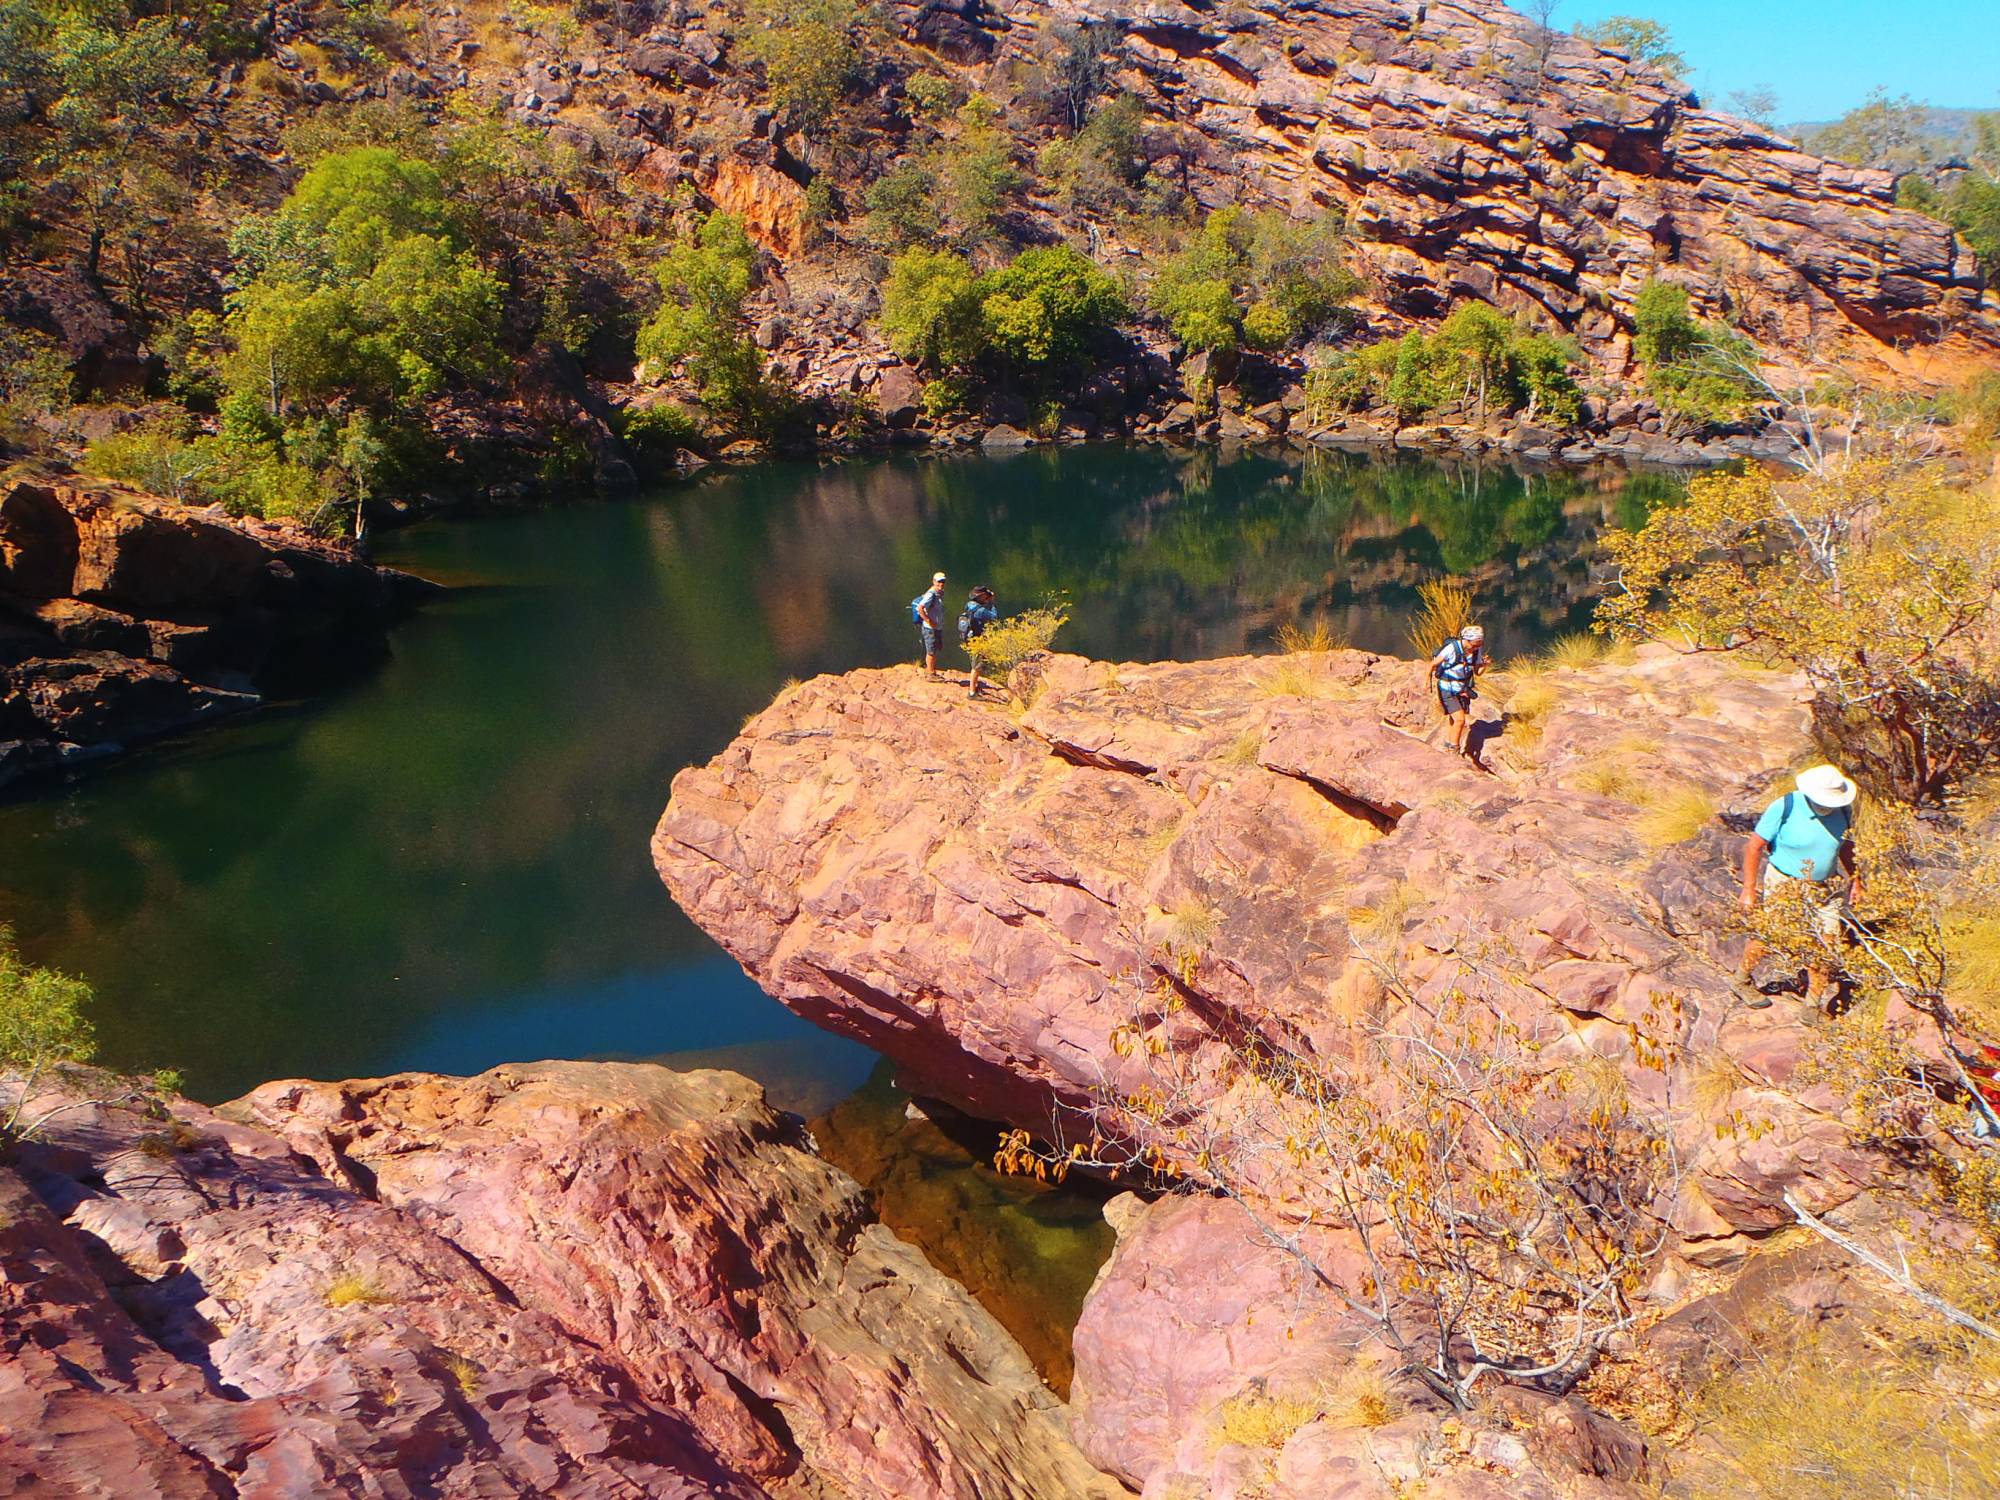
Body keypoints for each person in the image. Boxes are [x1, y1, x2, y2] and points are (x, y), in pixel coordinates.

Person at [1735, 763, 1862, 1014]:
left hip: (1825, 886)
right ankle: (1741, 979)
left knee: (1828, 944)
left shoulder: (1844, 811)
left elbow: (1846, 847)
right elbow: (1754, 846)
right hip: (1784, 882)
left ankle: (1812, 1006)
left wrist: (1856, 880)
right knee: (1770, 936)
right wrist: (1749, 889)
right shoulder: (1786, 806)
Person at [1429, 624, 1486, 760]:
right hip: (1447, 688)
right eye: (1475, 644)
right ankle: (1454, 750)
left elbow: (1477, 672)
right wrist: (1427, 681)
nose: (1477, 647)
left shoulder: (1477, 651)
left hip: (1462, 689)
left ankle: (1448, 745)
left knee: (1454, 719)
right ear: (1467, 640)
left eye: (1480, 644)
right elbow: (1433, 664)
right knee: (1460, 720)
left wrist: (1485, 666)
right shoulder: (1452, 649)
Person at [959, 585, 999, 699]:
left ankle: (975, 686)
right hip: (977, 640)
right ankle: (972, 692)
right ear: (981, 596)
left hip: (969, 639)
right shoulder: (981, 611)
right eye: (985, 595)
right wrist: (992, 602)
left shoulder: (969, 605)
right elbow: (994, 616)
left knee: (975, 663)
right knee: (976, 666)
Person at [911, 570, 947, 680]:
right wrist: (928, 621)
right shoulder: (931, 594)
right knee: (931, 650)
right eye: (939, 582)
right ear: (934, 581)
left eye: (943, 582)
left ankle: (931, 670)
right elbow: (920, 607)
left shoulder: (939, 593)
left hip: (936, 627)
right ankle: (930, 674)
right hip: (930, 628)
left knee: (935, 649)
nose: (941, 584)